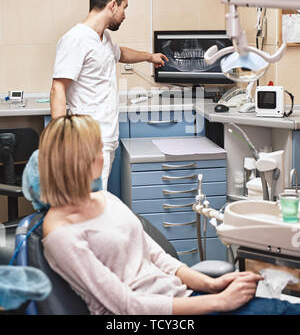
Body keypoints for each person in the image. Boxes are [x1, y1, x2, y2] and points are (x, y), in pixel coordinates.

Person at [39, 115, 300, 315]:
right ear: (78, 160)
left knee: (280, 305)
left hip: (182, 296)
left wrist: (213, 285)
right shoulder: (62, 235)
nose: (103, 154)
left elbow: (156, 257)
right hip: (151, 314)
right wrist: (220, 301)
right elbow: (126, 305)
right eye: (97, 149)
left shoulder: (104, 198)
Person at [50, 0, 168, 191]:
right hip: (87, 141)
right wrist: (61, 141)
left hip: (107, 137)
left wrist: (149, 57)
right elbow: (58, 88)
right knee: (89, 206)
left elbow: (120, 53)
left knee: (98, 201)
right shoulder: (75, 39)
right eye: (124, 8)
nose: (124, 15)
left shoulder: (104, 38)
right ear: (112, 5)